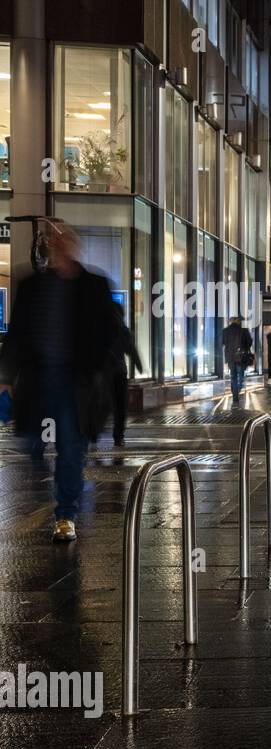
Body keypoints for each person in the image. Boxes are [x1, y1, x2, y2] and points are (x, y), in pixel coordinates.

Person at [0, 225, 119, 541]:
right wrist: (6, 378)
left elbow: (110, 330)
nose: (60, 246)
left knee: (70, 445)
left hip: (74, 382)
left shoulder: (94, 285)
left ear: (75, 247)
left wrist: (95, 369)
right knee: (31, 445)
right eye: (55, 242)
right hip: (38, 381)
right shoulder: (31, 286)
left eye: (66, 242)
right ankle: (51, 491)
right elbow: (17, 335)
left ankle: (65, 515)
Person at [110, 306, 142, 447]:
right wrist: (138, 365)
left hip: (105, 373)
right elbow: (131, 349)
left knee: (101, 405)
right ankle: (118, 436)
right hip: (119, 372)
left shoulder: (100, 330)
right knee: (120, 406)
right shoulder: (123, 329)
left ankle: (93, 434)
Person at [222, 316, 253, 402]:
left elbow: (222, 342)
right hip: (241, 357)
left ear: (231, 321)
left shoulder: (225, 331)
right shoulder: (244, 330)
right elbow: (249, 342)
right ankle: (237, 390)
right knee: (241, 376)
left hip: (230, 357)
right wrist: (245, 347)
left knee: (233, 376)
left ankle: (235, 394)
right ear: (238, 321)